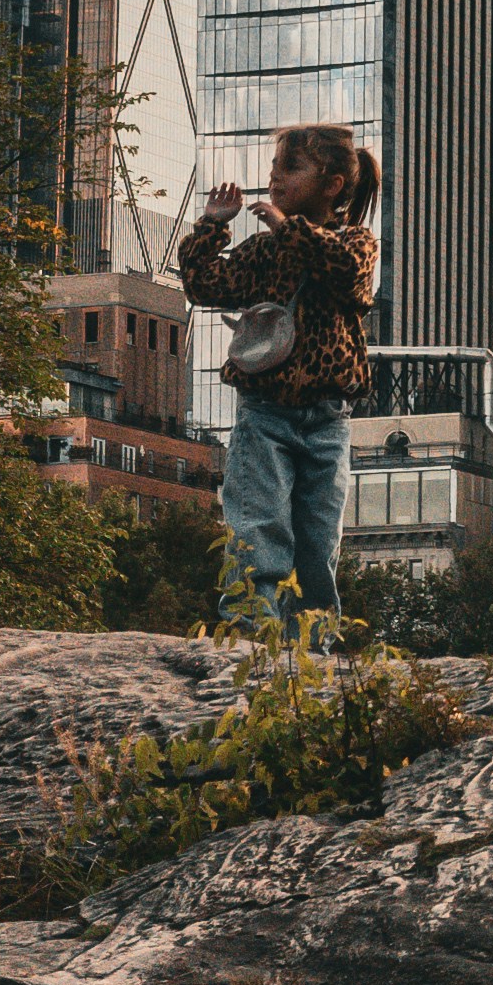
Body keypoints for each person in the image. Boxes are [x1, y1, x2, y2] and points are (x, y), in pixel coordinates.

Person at [177, 128, 378, 626]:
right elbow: (203, 284)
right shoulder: (264, 252)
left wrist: (288, 229)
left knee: (317, 538)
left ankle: (313, 643)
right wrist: (212, 226)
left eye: (289, 169)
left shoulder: (355, 241)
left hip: (328, 421)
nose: (274, 178)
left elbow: (346, 271)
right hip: (264, 413)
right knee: (257, 524)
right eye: (273, 169)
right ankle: (251, 630)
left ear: (331, 185)